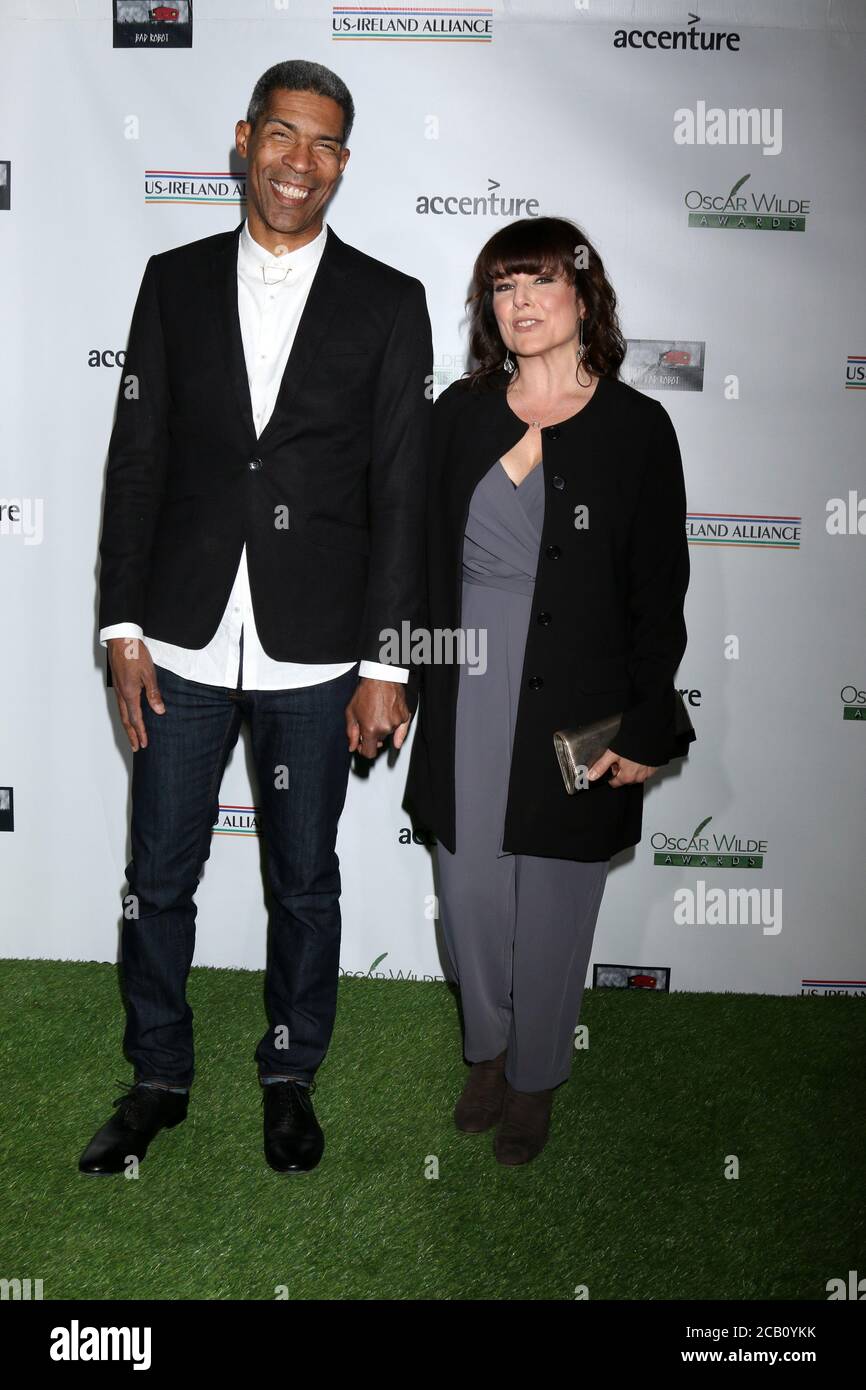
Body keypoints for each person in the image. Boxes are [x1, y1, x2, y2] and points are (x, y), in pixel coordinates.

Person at [80, 60, 432, 1177]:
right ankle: (157, 1074)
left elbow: (400, 495)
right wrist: (120, 627)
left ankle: (289, 1075)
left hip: (319, 651)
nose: (300, 162)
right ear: (243, 141)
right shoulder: (170, 282)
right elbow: (135, 463)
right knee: (160, 876)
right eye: (283, 136)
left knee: (304, 882)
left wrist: (389, 660)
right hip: (178, 639)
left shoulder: (388, 303)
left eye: (325, 145)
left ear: (342, 163)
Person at [404, 216, 695, 1166]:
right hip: (467, 686)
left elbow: (660, 589)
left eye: (538, 282)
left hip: (584, 699)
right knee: (470, 890)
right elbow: (414, 559)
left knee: (560, 899)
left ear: (583, 294)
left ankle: (536, 1077)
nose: (520, 303)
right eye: (501, 287)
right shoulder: (458, 411)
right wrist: (396, 670)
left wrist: (651, 722)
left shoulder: (639, 428)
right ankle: (485, 1052)